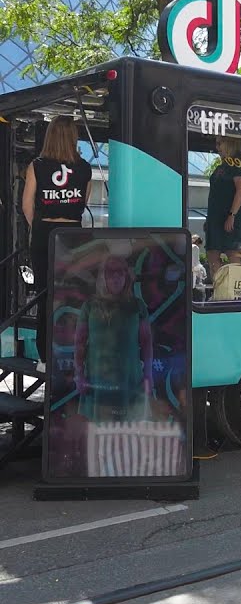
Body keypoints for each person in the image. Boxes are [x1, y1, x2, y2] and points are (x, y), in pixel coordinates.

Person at [23, 116, 91, 369]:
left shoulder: (36, 165)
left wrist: (40, 229)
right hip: (73, 234)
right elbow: (83, 203)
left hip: (45, 233)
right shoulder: (84, 168)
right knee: (74, 296)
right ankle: (75, 353)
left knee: (45, 295)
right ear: (73, 137)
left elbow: (27, 205)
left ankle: (44, 356)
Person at [73, 256, 155, 424]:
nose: (116, 277)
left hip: (130, 380)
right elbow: (79, 343)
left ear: (126, 276)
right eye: (111, 272)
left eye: (121, 272)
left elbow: (146, 343)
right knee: (100, 432)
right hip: (98, 382)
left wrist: (148, 375)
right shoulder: (89, 306)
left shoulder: (137, 306)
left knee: (128, 431)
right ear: (103, 276)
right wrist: (79, 376)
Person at [204, 137, 241, 280]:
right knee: (212, 253)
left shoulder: (240, 161)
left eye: (220, 143)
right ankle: (220, 291)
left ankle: (240, 295)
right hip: (216, 216)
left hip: (233, 215)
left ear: (230, 143)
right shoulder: (223, 165)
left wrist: (232, 214)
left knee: (234, 254)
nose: (217, 147)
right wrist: (210, 219)